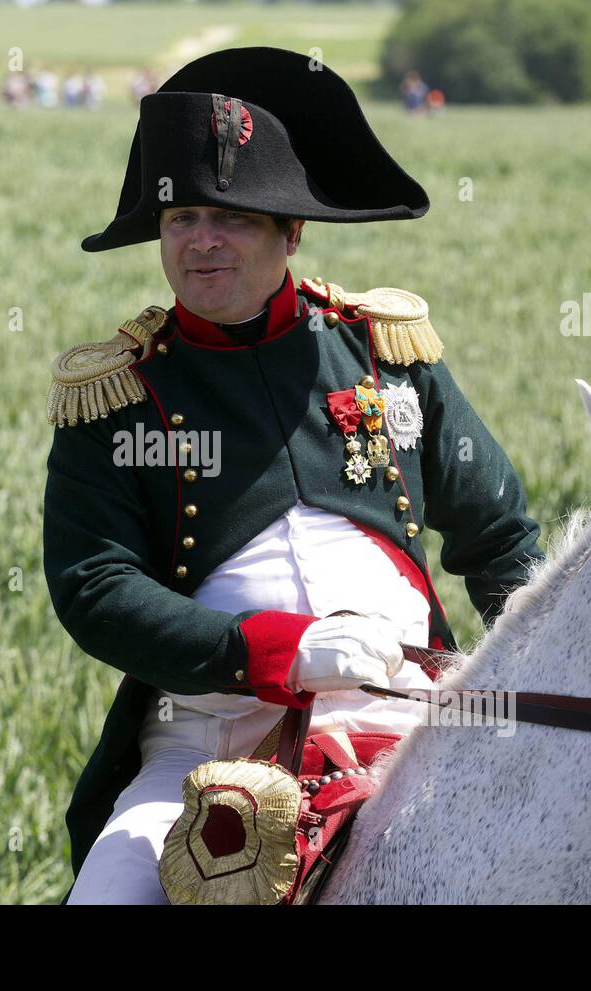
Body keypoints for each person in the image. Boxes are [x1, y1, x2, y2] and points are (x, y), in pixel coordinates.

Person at [43, 47, 545, 904]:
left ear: (292, 231)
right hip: (204, 740)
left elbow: (500, 539)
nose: (201, 240)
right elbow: (94, 587)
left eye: (232, 217)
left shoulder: (387, 353)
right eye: (181, 218)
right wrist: (273, 651)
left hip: (413, 718)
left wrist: (532, 697)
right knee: (112, 892)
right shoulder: (118, 394)